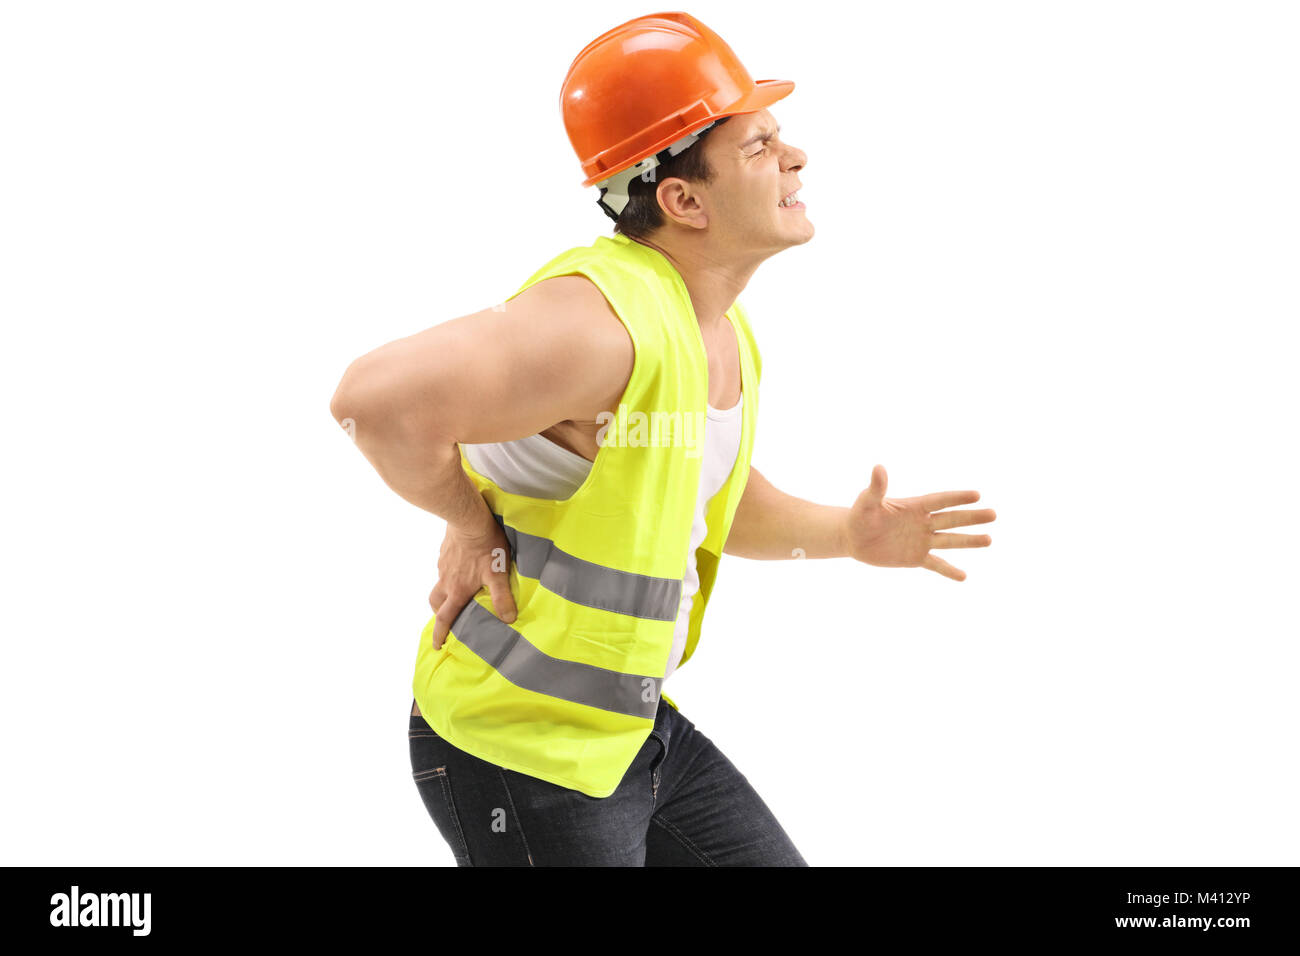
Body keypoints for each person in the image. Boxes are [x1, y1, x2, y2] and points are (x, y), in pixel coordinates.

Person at [329, 12, 996, 866]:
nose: (795, 158)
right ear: (682, 199)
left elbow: (698, 489)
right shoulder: (602, 321)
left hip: (630, 733)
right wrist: (467, 520)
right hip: (519, 750)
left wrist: (846, 535)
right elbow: (371, 402)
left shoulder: (711, 325)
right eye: (758, 147)